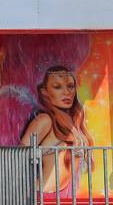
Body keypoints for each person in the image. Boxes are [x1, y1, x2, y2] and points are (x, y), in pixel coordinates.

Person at [19, 65, 94, 193]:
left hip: (62, 201)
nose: (67, 92)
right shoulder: (44, 120)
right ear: (44, 91)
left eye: (70, 86)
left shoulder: (74, 122)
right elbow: (17, 157)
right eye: (57, 87)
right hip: (41, 199)